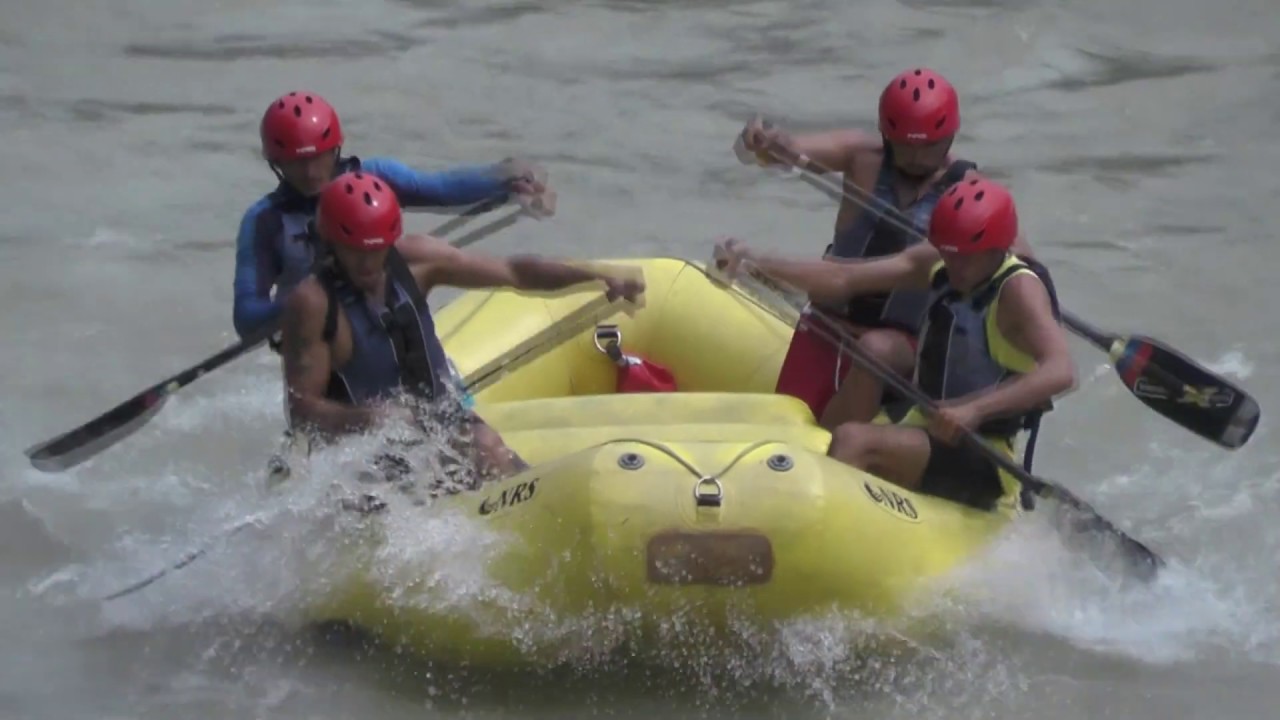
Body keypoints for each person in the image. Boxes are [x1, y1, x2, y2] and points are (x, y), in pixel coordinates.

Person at [715, 175, 1075, 511]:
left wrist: (973, 410)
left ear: (995, 247)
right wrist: (754, 262)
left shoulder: (1018, 290)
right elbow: (843, 277)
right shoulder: (944, 261)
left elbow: (1061, 371)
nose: (954, 265)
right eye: (948, 252)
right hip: (922, 422)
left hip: (984, 451)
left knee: (853, 441)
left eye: (965, 257)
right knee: (821, 437)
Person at [279, 170, 645, 482]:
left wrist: (595, 274)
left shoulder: (417, 260)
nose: (367, 263)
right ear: (332, 243)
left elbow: (514, 273)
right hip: (365, 446)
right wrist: (373, 418)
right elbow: (302, 409)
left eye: (377, 250)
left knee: (487, 447)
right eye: (355, 250)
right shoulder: (312, 304)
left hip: (440, 417)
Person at [735, 68, 1034, 429]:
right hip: (827, 324)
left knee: (877, 350)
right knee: (778, 425)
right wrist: (763, 143)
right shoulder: (862, 156)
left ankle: (841, 448)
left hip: (902, 345)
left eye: (929, 147)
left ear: (949, 136)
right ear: (887, 134)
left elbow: (1023, 262)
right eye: (904, 145)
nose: (916, 158)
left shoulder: (969, 194)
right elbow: (776, 153)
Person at [235, 90, 550, 341]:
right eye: (294, 162)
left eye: (319, 157)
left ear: (336, 149)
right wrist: (315, 297)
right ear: (275, 163)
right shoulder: (263, 222)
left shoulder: (375, 176)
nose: (310, 172)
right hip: (318, 341)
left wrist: (506, 182)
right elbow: (247, 317)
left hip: (384, 320)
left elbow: (440, 189)